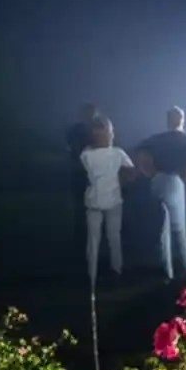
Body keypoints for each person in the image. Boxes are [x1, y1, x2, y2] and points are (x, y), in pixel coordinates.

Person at [136, 107, 186, 283]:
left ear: (167, 120)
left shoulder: (156, 140)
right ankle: (185, 269)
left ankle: (166, 271)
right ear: (182, 119)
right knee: (178, 228)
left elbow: (140, 152)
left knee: (161, 228)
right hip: (174, 180)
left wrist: (148, 172)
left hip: (157, 181)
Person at [79, 115, 136, 289]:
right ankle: (116, 271)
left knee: (93, 241)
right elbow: (131, 171)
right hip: (113, 200)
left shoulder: (86, 154)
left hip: (93, 201)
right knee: (114, 238)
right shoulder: (118, 153)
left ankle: (92, 274)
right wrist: (122, 181)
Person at [67, 103, 99, 254]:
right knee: (83, 208)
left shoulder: (77, 130)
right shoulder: (93, 131)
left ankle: (84, 240)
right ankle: (84, 240)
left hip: (86, 174)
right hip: (84, 174)